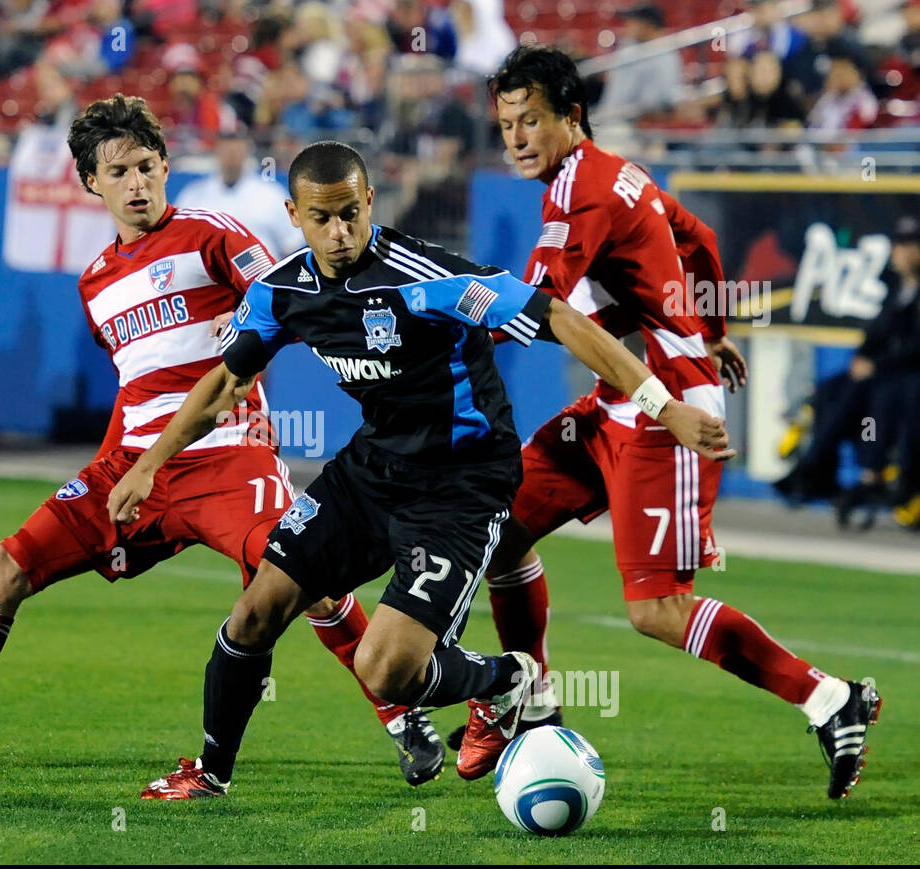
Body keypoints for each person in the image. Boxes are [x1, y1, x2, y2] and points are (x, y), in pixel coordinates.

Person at [0, 95, 446, 787]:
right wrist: (112, 472)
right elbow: (136, 386)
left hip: (227, 457)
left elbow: (290, 304)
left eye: (147, 166)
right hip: (132, 467)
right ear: (92, 182)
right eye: (119, 172)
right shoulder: (95, 283)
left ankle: (404, 716)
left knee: (306, 584)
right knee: (3, 569)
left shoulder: (215, 234)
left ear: (167, 165)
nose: (137, 183)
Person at [106, 140, 734, 799]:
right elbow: (224, 383)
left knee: (387, 671)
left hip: (462, 483)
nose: (340, 231)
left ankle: (506, 680)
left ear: (371, 199)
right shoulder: (282, 294)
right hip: (372, 468)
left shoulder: (428, 277)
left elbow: (561, 320)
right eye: (323, 219)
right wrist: (149, 464)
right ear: (295, 215)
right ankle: (210, 774)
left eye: (352, 212)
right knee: (256, 609)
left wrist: (661, 405)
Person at [458, 45, 880, 801]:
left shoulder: (582, 189)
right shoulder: (617, 173)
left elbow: (534, 306)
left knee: (657, 608)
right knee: (499, 525)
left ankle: (828, 698)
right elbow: (701, 242)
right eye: (506, 125)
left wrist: (442, 318)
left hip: (667, 412)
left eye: (530, 121)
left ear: (570, 115)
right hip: (621, 404)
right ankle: (535, 700)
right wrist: (712, 329)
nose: (516, 137)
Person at [775, 216, 920, 526]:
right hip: (886, 372)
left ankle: (868, 473)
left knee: (881, 392)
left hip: (905, 375)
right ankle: (819, 470)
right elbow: (877, 333)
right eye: (901, 245)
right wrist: (863, 358)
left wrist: (875, 364)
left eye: (911, 246)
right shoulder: (895, 286)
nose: (904, 252)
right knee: (832, 391)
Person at [173, 122, 302, 261]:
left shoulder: (271, 194)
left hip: (259, 277)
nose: (232, 154)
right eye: (226, 148)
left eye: (237, 148)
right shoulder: (194, 195)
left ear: (247, 150)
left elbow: (292, 244)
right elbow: (178, 244)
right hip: (209, 278)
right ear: (216, 150)